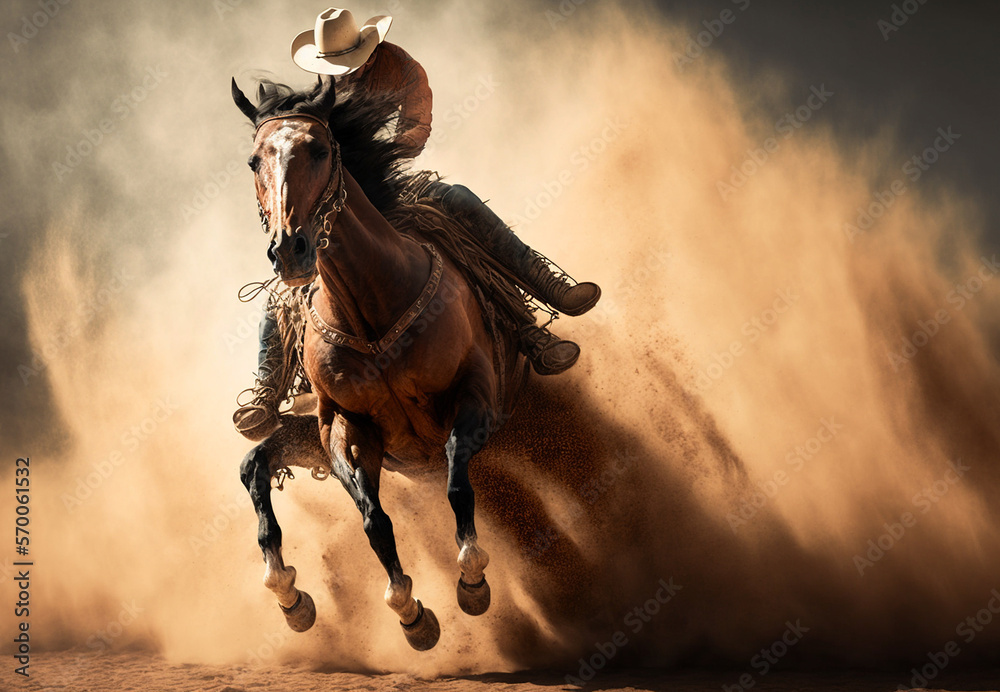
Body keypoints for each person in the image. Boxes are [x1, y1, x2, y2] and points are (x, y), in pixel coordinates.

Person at [234, 8, 602, 441]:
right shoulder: (316, 99)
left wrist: (374, 159)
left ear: (367, 48)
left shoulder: (403, 70)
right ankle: (270, 388)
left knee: (455, 204)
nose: (342, 70)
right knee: (284, 288)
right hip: (329, 204)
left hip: (386, 186)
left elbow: (414, 132)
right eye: (332, 63)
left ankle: (537, 309)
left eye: (348, 59)